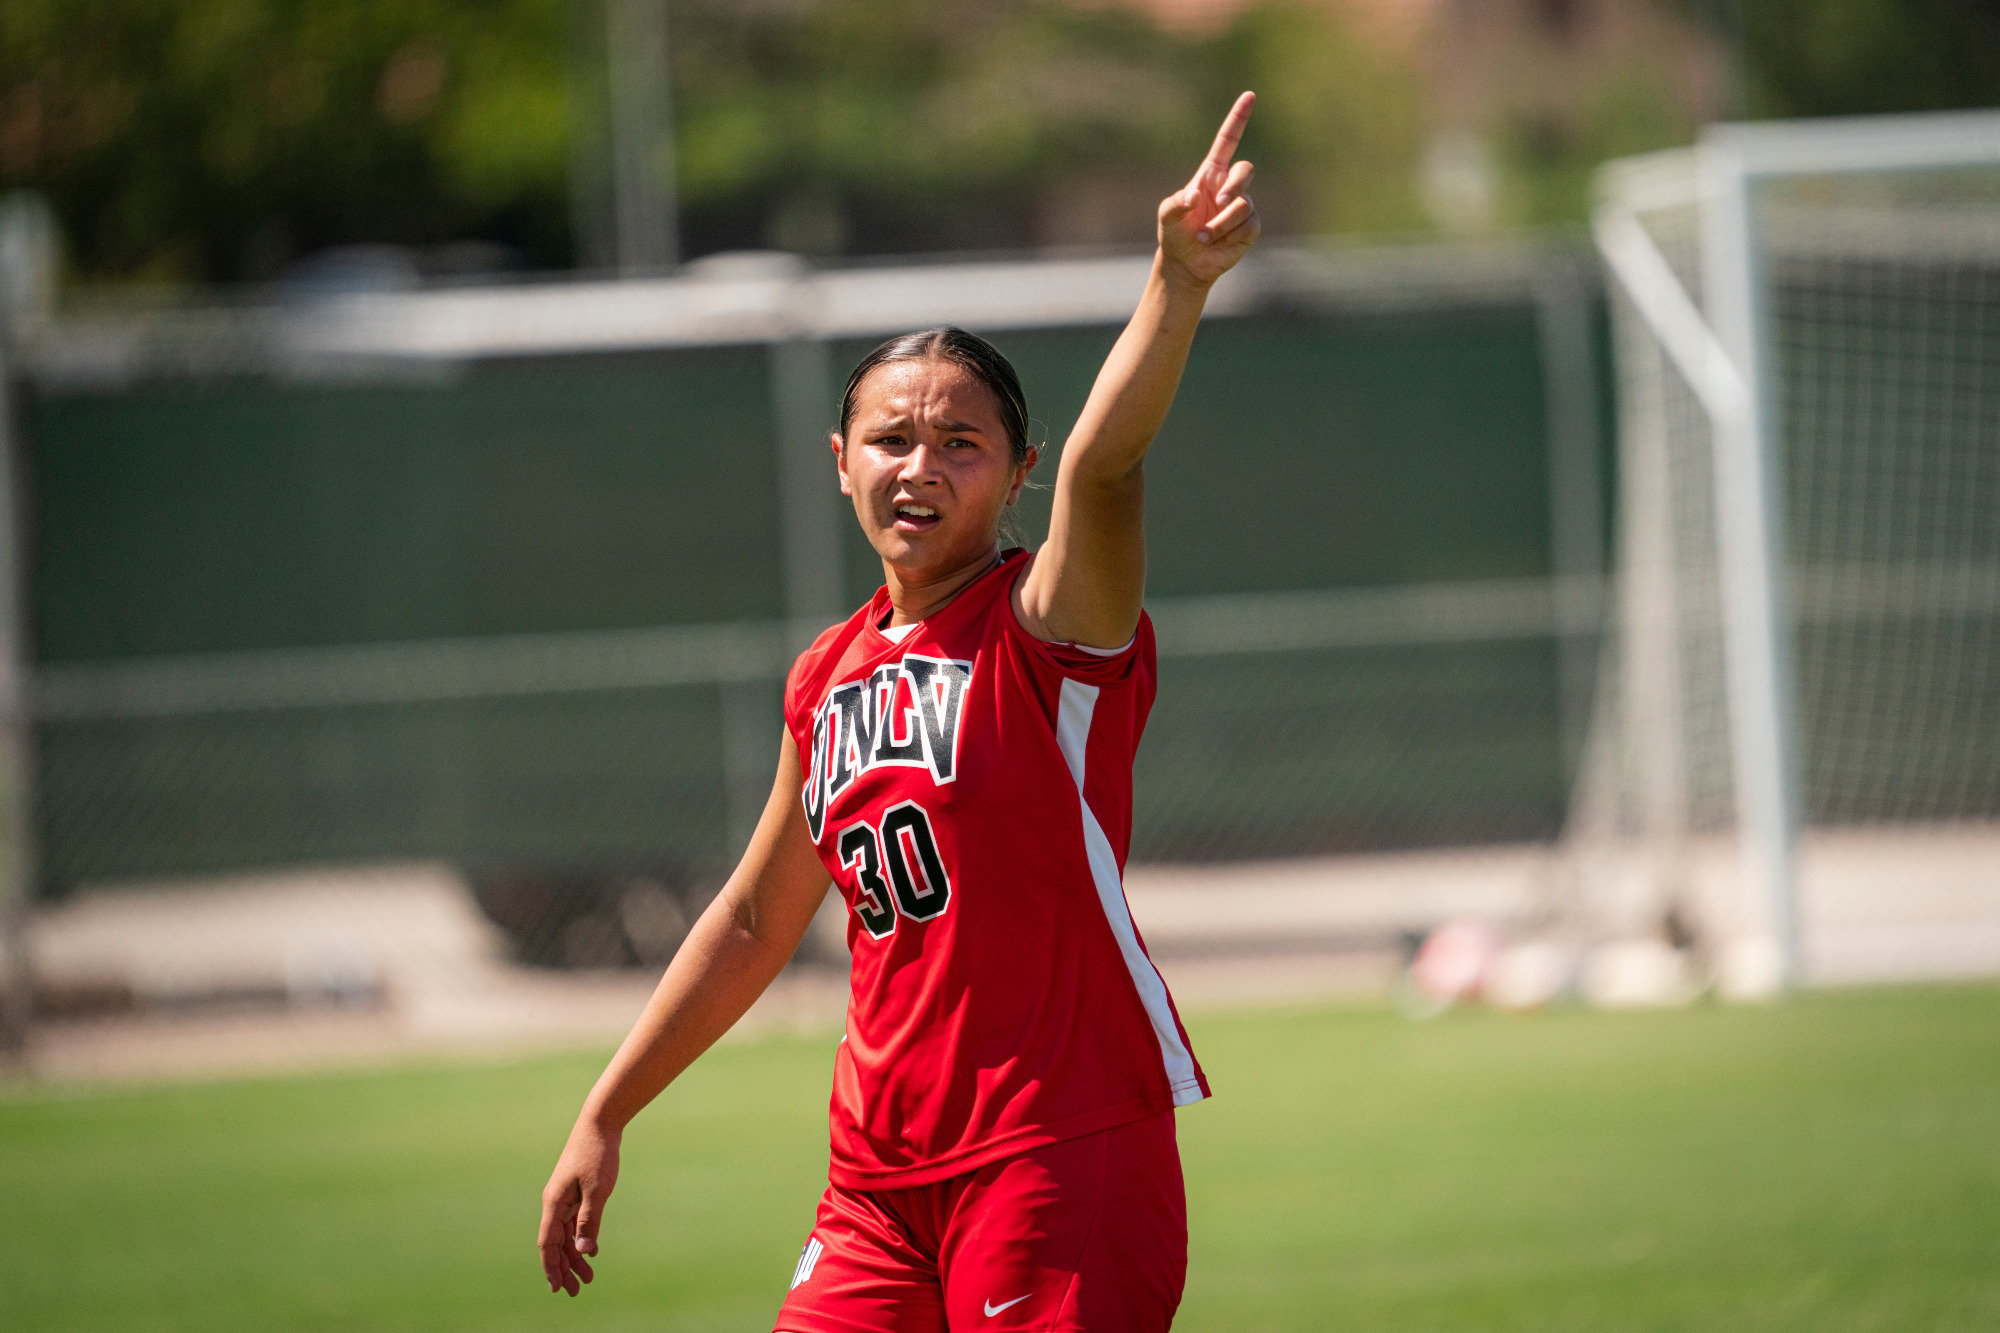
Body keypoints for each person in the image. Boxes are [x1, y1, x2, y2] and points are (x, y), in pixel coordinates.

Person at [539, 91, 1260, 1332]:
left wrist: (1174, 281)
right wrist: (605, 1108)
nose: (918, 465)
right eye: (889, 438)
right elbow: (761, 914)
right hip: (874, 1181)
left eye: (961, 443)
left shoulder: (1045, 631)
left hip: (1054, 1146)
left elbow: (1108, 466)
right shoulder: (825, 675)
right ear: (840, 459)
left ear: (1016, 472)